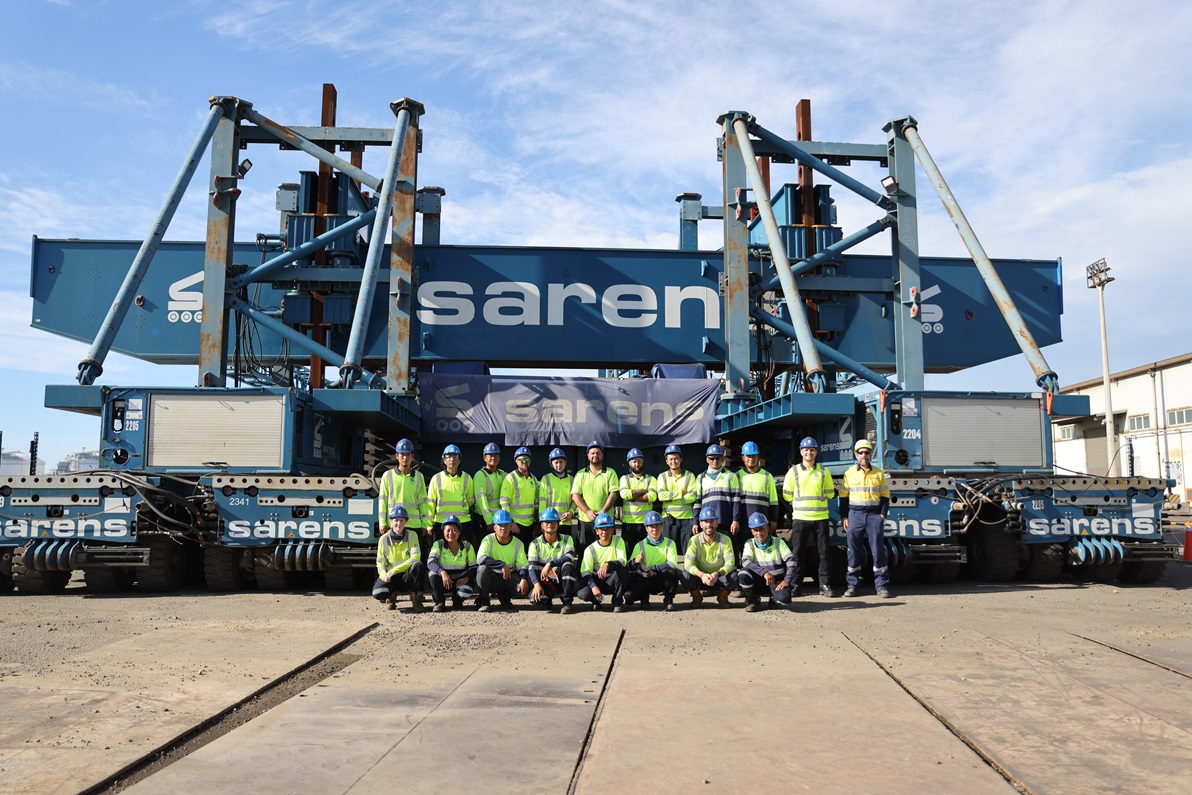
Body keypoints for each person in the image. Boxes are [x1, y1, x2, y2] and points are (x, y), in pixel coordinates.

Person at [783, 436, 837, 597]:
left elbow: (829, 493)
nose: (809, 452)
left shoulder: (823, 471)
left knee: (823, 553)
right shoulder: (793, 472)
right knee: (797, 553)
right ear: (801, 452)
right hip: (800, 518)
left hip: (821, 517)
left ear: (816, 452)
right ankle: (795, 585)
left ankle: (824, 585)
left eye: (812, 449)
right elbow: (787, 494)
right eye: (806, 449)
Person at [838, 438, 892, 598]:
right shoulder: (849, 473)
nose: (864, 455)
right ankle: (852, 585)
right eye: (860, 452)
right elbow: (843, 497)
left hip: (874, 515)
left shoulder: (878, 473)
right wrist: (844, 517)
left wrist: (882, 514)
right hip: (855, 515)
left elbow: (885, 495)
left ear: (870, 455)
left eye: (867, 452)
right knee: (853, 551)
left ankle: (881, 586)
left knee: (878, 550)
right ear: (856, 454)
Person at [377, 438, 433, 561]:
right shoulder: (388, 476)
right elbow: (382, 501)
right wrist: (382, 522)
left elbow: (423, 503)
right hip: (394, 525)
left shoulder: (419, 477)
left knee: (415, 560)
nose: (405, 458)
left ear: (413, 456)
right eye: (402, 454)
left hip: (414, 525)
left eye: (408, 455)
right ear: (397, 456)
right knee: (393, 559)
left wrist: (424, 524)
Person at [738, 512, 796, 612]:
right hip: (760, 581)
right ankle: (753, 600)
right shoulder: (749, 544)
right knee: (743, 574)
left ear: (768, 528)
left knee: (784, 599)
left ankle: (774, 599)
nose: (759, 533)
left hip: (776, 582)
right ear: (752, 532)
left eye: (762, 529)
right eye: (755, 530)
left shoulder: (778, 542)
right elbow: (745, 561)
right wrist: (764, 573)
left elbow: (792, 562)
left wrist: (786, 581)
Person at [371, 506, 426, 612]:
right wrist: (383, 575)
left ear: (406, 522)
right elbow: (380, 562)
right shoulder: (383, 539)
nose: (399, 524)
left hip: (406, 576)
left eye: (402, 520)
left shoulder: (412, 535)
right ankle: (391, 597)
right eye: (396, 520)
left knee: (419, 565)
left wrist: (393, 570)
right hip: (391, 577)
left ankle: (416, 598)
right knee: (378, 592)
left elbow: (415, 557)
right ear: (391, 521)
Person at [682, 505, 738, 608]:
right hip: (701, 578)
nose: (709, 524)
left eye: (712, 521)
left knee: (734, 576)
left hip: (719, 577)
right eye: (706, 521)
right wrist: (702, 575)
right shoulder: (694, 540)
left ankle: (722, 596)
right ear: (701, 524)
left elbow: (730, 564)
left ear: (717, 523)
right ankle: (696, 596)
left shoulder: (726, 540)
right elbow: (688, 564)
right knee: (684, 575)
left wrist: (717, 574)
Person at [476, 509, 531, 611]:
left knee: (523, 590)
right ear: (494, 527)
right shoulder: (488, 539)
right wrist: (501, 565)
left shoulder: (518, 543)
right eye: (500, 525)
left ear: (511, 526)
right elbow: (480, 559)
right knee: (482, 569)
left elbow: (523, 565)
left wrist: (523, 579)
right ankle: (484, 601)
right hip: (493, 578)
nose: (503, 528)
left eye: (506, 525)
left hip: (509, 577)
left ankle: (504, 597)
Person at [626, 511, 680, 611]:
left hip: (660, 578)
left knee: (674, 572)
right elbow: (630, 566)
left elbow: (672, 563)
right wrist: (635, 561)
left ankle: (668, 599)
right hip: (645, 577)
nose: (654, 529)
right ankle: (644, 599)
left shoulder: (670, 543)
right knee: (628, 596)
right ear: (646, 528)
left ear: (661, 526)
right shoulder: (640, 545)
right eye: (651, 527)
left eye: (657, 526)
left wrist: (653, 570)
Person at [527, 507, 578, 613]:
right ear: (541, 525)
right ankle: (547, 600)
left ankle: (567, 602)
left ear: (558, 524)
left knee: (568, 565)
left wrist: (551, 564)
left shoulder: (567, 539)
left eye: (553, 521)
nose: (550, 524)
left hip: (561, 579)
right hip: (545, 580)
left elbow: (570, 556)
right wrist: (536, 585)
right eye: (547, 522)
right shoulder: (534, 544)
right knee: (537, 600)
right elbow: (531, 568)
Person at [696, 444, 743, 558]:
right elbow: (698, 502)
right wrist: (695, 522)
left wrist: (735, 520)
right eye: (712, 458)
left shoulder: (731, 476)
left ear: (722, 459)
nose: (715, 461)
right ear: (707, 459)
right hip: (708, 524)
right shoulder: (701, 478)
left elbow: (736, 500)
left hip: (726, 522)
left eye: (718, 458)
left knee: (730, 555)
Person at [577, 512, 628, 612]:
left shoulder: (618, 540)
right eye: (601, 529)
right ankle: (596, 601)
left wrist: (608, 564)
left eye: (607, 529)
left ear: (612, 530)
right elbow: (585, 571)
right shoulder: (590, 549)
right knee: (582, 594)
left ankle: (617, 602)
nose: (604, 532)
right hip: (598, 581)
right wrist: (593, 586)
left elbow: (623, 561)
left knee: (623, 571)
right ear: (596, 531)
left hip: (613, 579)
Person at [571, 441, 618, 548]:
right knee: (584, 551)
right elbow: (575, 495)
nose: (595, 455)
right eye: (592, 453)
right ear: (588, 456)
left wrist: (603, 512)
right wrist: (587, 511)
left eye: (598, 453)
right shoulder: (580, 474)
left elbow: (613, 494)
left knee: (606, 551)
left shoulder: (610, 473)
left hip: (605, 521)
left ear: (602, 455)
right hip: (585, 520)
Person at [426, 514, 477, 612]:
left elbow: (474, 567)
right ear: (443, 531)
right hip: (444, 580)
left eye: (454, 530)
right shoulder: (438, 544)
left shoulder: (467, 546)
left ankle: (457, 600)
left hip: (460, 581)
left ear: (459, 532)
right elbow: (431, 562)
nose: (451, 533)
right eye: (448, 530)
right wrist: (443, 572)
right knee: (432, 574)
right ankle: (439, 602)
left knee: (466, 592)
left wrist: (466, 578)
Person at [428, 444, 476, 547]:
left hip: (463, 521)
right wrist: (429, 524)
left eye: (455, 456)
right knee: (440, 552)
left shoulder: (467, 478)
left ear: (460, 460)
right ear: (444, 460)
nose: (452, 459)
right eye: (448, 456)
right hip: (441, 522)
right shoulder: (436, 478)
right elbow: (430, 503)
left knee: (466, 551)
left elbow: (470, 500)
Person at [656, 444, 698, 554]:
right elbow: (661, 496)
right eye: (671, 459)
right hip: (668, 519)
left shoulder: (690, 476)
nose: (673, 461)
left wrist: (670, 498)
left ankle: (689, 570)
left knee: (689, 551)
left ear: (681, 459)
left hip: (686, 519)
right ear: (666, 461)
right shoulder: (662, 477)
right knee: (668, 551)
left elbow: (693, 496)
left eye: (676, 458)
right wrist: (681, 493)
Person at [738, 441, 779, 553]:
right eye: (748, 456)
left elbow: (773, 501)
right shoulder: (736, 477)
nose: (751, 459)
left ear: (758, 457)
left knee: (764, 552)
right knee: (746, 553)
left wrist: (773, 520)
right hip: (744, 523)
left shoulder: (767, 476)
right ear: (743, 457)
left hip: (762, 524)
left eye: (754, 455)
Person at [618, 448, 658, 555]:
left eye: (639, 461)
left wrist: (632, 496)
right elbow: (624, 495)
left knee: (646, 552)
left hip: (646, 523)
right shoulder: (624, 479)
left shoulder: (651, 479)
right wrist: (643, 491)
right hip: (629, 523)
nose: (637, 464)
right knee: (628, 552)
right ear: (630, 463)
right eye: (634, 462)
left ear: (643, 462)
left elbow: (653, 496)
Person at [500, 447, 539, 543]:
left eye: (527, 459)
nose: (524, 462)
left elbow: (536, 503)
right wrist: (511, 522)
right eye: (521, 459)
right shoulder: (510, 478)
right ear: (516, 461)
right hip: (516, 526)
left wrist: (537, 522)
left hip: (530, 525)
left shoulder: (533, 479)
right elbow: (504, 502)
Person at [538, 448, 575, 540]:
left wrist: (570, 513)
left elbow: (575, 501)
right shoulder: (546, 479)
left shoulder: (571, 480)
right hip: (550, 523)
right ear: (551, 464)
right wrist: (542, 522)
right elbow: (542, 503)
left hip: (566, 523)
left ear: (565, 463)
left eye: (561, 462)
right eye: (556, 462)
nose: (559, 465)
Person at [473, 442, 506, 536]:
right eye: (490, 455)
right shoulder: (480, 475)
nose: (493, 458)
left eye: (496, 455)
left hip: (499, 519)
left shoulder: (502, 474)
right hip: (485, 520)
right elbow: (481, 500)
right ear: (484, 458)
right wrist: (489, 521)